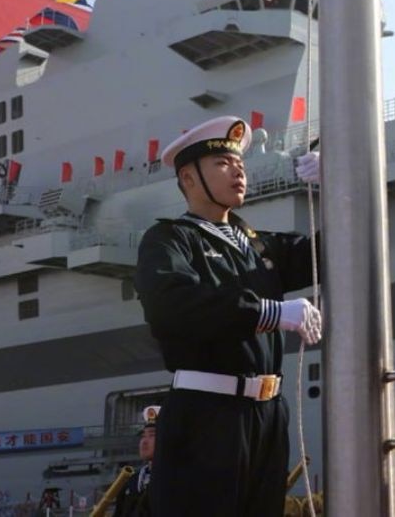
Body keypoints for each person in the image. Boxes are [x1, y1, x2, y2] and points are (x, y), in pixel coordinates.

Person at [135, 116, 322, 516]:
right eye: (222, 162)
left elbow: (336, 252)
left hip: (268, 415)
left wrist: (340, 183)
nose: (238, 169)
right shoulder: (170, 240)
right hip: (207, 414)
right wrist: (270, 312)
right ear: (188, 178)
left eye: (239, 162)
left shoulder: (260, 246)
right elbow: (172, 306)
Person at [113, 406, 159, 517]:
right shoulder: (131, 483)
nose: (144, 441)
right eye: (143, 436)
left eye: (152, 435)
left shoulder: (177, 481)